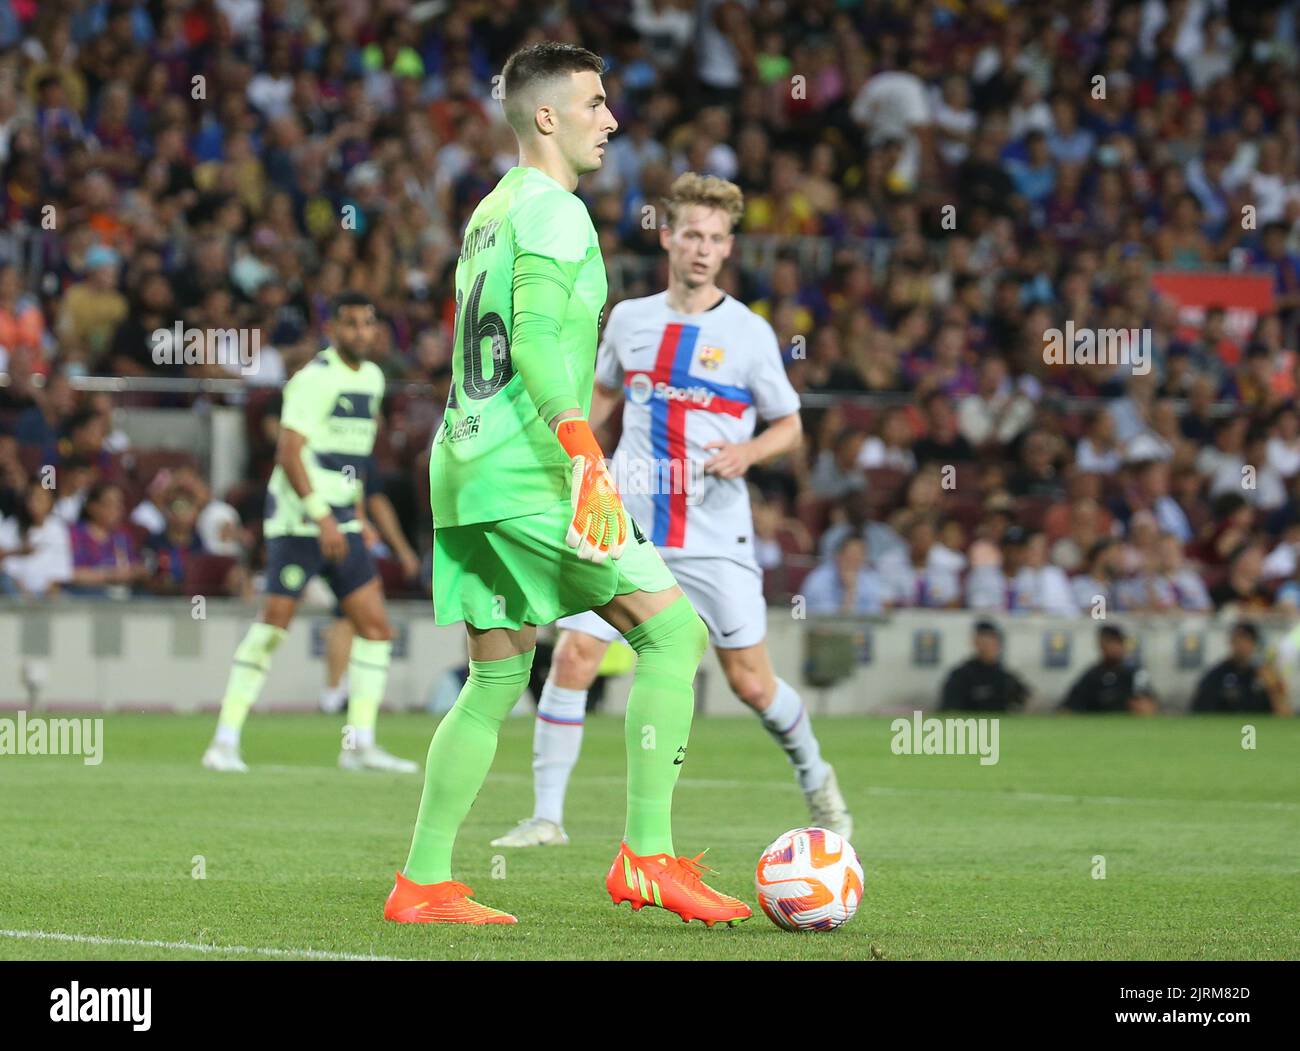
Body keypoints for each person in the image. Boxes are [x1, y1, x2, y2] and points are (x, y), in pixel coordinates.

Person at [387, 44, 748, 927]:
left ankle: (423, 879)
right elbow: (538, 341)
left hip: (461, 462)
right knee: (671, 633)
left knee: (496, 677)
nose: (610, 119)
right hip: (530, 465)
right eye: (594, 102)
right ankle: (648, 858)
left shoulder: (491, 210)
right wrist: (582, 444)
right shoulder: (557, 212)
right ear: (546, 117)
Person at [492, 171, 850, 853]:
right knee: (573, 654)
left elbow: (792, 426)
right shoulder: (629, 320)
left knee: (750, 681)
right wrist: (565, 459)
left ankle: (817, 777)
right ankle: (546, 816)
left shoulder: (749, 332)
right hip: (628, 523)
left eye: (716, 238)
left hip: (715, 531)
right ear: (667, 235)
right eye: (691, 233)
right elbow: (598, 402)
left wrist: (748, 451)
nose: (702, 248)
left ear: (728, 246)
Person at [201, 292, 416, 775]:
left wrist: (355, 513)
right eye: (350, 324)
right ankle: (224, 740)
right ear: (332, 329)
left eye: (367, 323)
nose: (360, 332)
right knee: (274, 624)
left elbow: (355, 459)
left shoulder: (375, 378)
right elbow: (289, 453)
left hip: (341, 518)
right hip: (300, 519)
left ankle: (358, 743)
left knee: (376, 628)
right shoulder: (313, 379)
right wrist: (322, 516)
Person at [1191, 623, 1290, 715]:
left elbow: (1284, 714)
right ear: (1231, 643)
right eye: (1237, 641)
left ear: (1254, 644)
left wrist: (1273, 688)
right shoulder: (1217, 675)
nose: (1241, 646)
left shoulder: (1264, 675)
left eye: (1245, 640)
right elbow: (1200, 711)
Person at [1060, 624, 1158, 715]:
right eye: (1109, 642)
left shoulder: (1135, 673)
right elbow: (1068, 708)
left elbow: (1147, 708)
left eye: (1117, 643)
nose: (1114, 648)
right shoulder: (1092, 675)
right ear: (1101, 645)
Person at [939, 619, 1031, 712]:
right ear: (976, 642)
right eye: (984, 642)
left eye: (993, 641)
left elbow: (1028, 699)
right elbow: (949, 710)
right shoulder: (961, 675)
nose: (989, 646)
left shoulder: (1005, 677)